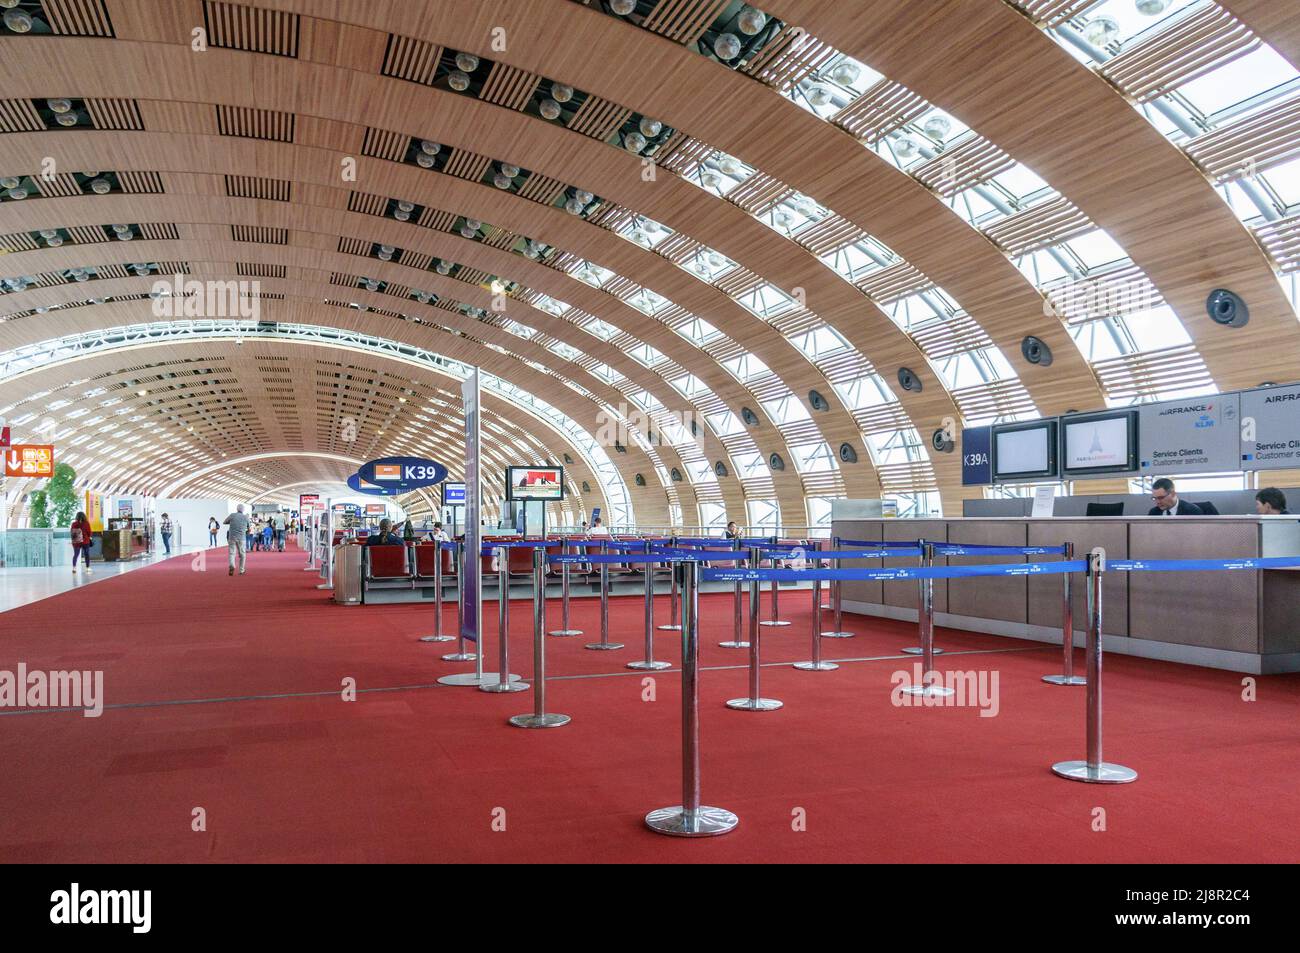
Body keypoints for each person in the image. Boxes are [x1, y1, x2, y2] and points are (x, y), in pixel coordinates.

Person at [224, 505, 250, 576]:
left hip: (232, 537)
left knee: (232, 553)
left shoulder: (232, 515)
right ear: (243, 510)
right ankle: (241, 570)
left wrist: (232, 522)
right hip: (242, 538)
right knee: (242, 554)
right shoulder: (246, 517)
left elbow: (224, 522)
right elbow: (249, 527)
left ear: (237, 509)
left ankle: (232, 565)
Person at [70, 510, 93, 576]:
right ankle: (88, 568)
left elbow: (71, 532)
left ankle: (74, 568)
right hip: (85, 541)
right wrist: (89, 537)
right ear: (84, 516)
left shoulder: (74, 524)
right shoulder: (86, 523)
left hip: (76, 542)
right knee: (86, 554)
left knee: (76, 555)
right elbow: (89, 532)